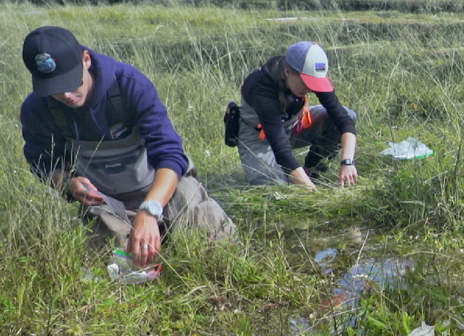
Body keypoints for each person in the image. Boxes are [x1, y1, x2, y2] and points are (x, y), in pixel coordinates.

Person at [20, 26, 235, 266]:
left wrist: (150, 210)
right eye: (55, 89)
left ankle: (167, 230)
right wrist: (67, 183)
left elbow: (170, 154)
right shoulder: (37, 109)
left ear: (86, 59)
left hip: (159, 187)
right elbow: (41, 160)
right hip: (105, 201)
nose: (67, 95)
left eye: (71, 82)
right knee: (119, 264)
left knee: (214, 245)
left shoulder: (130, 85)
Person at [234, 41, 359, 188]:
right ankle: (298, 179)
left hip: (292, 126)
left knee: (349, 114)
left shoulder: (310, 74)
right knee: (276, 187)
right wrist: (310, 191)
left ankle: (312, 171)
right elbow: (280, 147)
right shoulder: (261, 87)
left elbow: (344, 120)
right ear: (287, 72)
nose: (310, 89)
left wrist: (347, 162)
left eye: (315, 84)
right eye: (306, 84)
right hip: (259, 137)